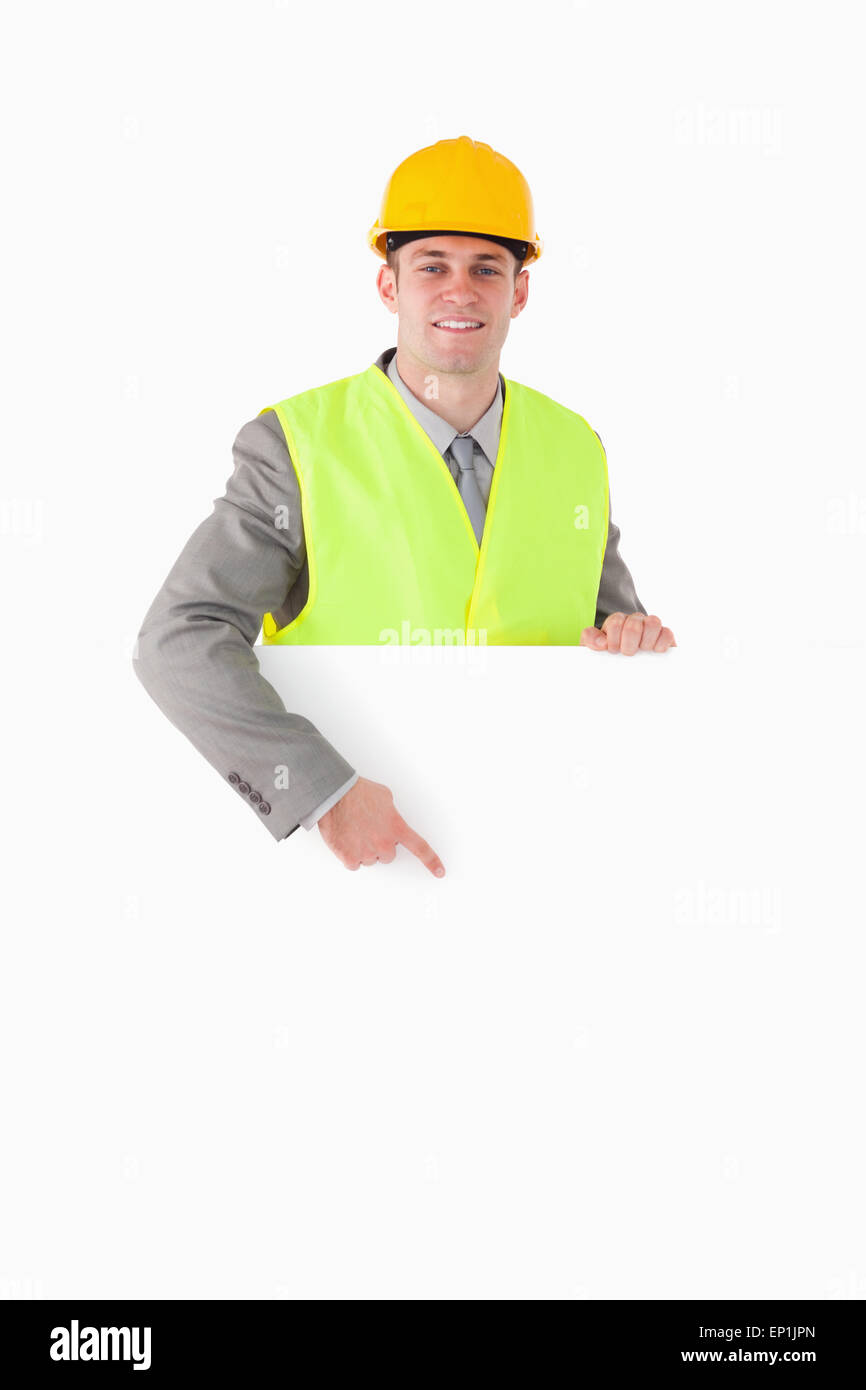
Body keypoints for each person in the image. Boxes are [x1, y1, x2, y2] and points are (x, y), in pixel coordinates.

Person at [133, 135, 675, 878]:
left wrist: (630, 640)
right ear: (389, 286)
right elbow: (179, 637)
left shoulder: (576, 447)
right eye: (432, 267)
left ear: (520, 291)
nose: (461, 291)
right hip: (361, 870)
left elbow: (607, 630)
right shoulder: (294, 445)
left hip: (547, 854)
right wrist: (321, 792)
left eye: (487, 268)